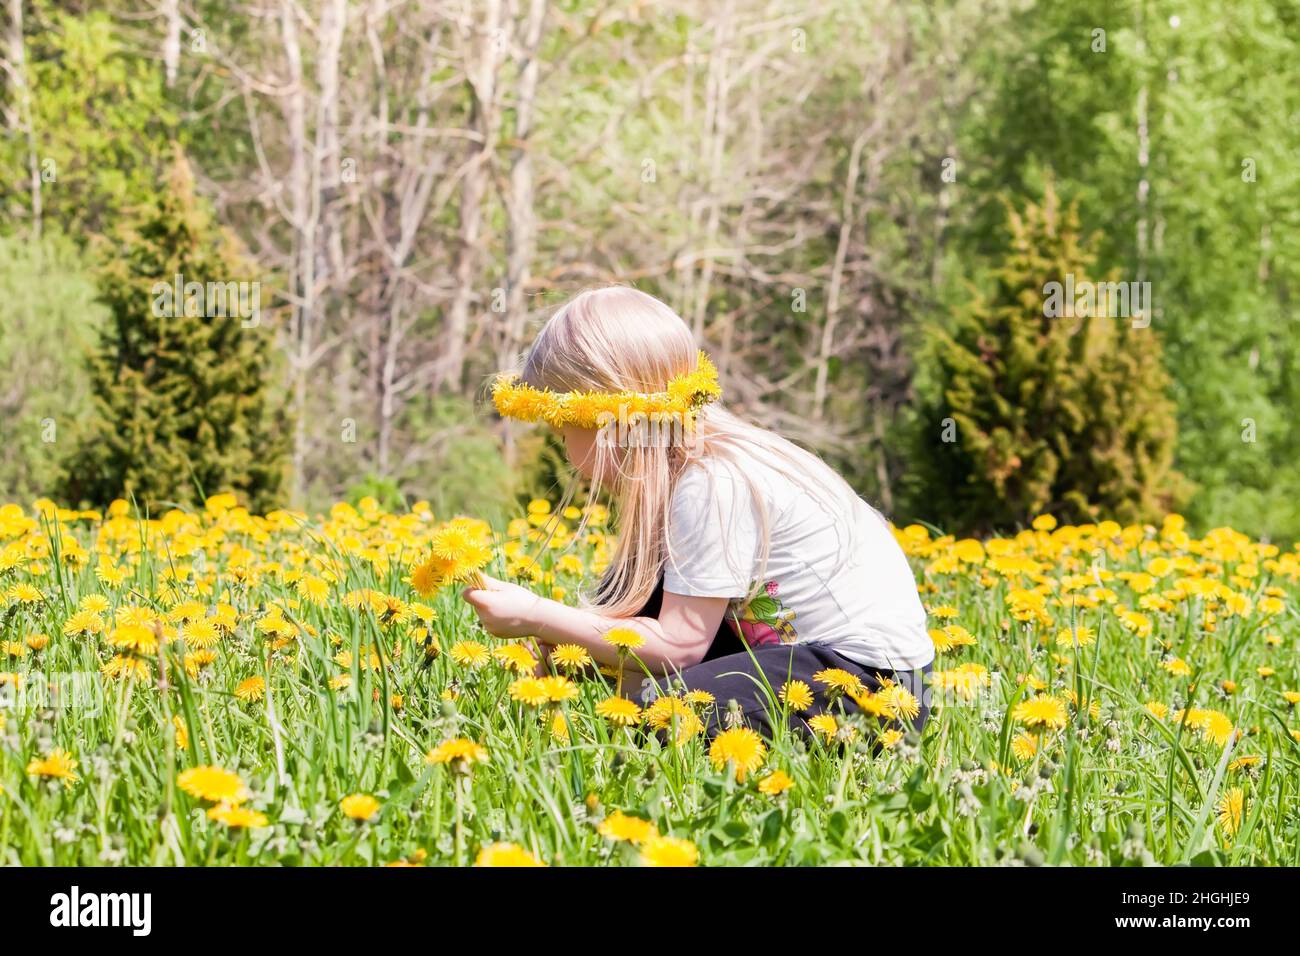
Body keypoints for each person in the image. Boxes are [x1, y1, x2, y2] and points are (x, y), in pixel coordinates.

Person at [464, 286, 933, 739]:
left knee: (661, 713)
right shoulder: (691, 467)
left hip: (871, 686)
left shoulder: (711, 483)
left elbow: (680, 645)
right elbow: (639, 617)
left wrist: (536, 615)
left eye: (563, 425)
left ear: (613, 423)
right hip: (813, 660)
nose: (561, 444)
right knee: (627, 657)